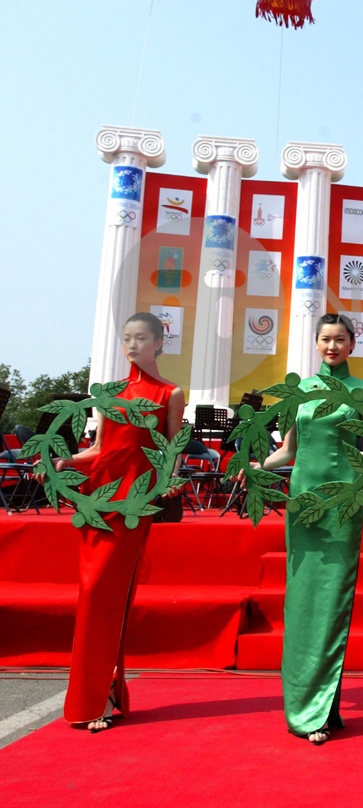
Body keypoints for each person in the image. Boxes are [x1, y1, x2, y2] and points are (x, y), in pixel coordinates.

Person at [49, 312, 185, 730]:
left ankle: (102, 695)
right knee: (93, 593)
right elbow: (98, 449)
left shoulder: (171, 393)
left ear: (159, 343)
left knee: (109, 595)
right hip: (98, 502)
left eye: (141, 338)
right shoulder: (109, 395)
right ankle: (101, 692)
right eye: (126, 338)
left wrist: (171, 480)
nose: (131, 345)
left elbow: (172, 449)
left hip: (133, 504)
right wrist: (63, 461)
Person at [256, 313, 363, 744]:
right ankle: (308, 706)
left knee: (332, 597)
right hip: (302, 502)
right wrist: (258, 466)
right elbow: (288, 450)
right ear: (316, 343)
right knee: (302, 597)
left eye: (341, 339)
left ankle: (318, 708)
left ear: (353, 344)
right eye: (326, 339)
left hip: (342, 503)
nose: (332, 346)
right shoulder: (299, 392)